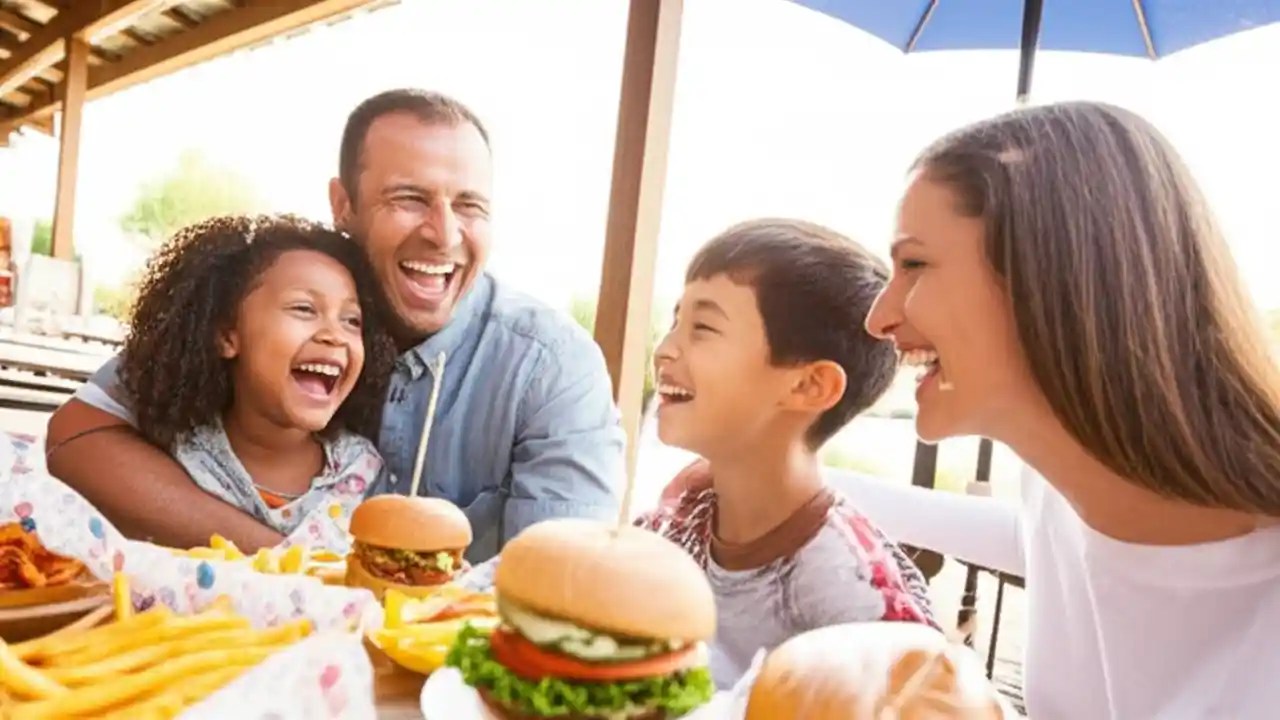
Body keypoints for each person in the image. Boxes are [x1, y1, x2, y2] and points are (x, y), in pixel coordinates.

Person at [812, 101, 1280, 719]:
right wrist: (803, 485)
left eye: (915, 265)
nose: (880, 318)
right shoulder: (1064, 492)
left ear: (1051, 271)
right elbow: (1039, 537)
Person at [45, 90, 625, 561]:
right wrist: (282, 564)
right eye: (409, 198)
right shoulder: (286, 289)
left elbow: (563, 584)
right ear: (343, 204)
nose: (444, 233)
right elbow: (78, 434)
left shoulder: (551, 367)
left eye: (470, 205)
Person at [634, 219, 937, 689]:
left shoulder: (857, 597)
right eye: (676, 321)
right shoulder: (686, 511)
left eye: (703, 328)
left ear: (807, 385)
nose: (665, 348)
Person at [114, 214, 396, 547]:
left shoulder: (366, 475)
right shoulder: (174, 459)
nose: (335, 335)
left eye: (352, 320)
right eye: (304, 309)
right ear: (227, 335)